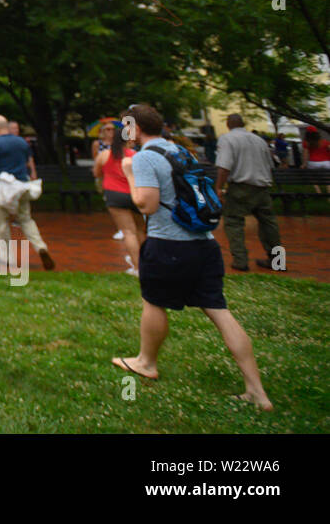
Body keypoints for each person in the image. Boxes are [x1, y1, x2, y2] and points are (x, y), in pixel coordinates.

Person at [112, 104, 272, 411]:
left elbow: (146, 205)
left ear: (135, 127)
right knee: (220, 312)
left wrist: (131, 176)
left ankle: (146, 362)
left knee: (154, 301)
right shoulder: (181, 151)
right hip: (204, 245)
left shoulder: (145, 156)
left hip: (168, 245)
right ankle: (257, 391)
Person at [0, 114, 55, 270]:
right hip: (21, 184)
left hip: (2, 186)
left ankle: (6, 257)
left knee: (1, 221)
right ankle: (40, 246)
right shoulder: (21, 142)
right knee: (25, 219)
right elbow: (28, 160)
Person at [215, 114, 283, 272]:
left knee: (233, 222)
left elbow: (224, 166)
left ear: (228, 124)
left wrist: (219, 187)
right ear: (243, 123)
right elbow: (270, 164)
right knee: (269, 223)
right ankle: (278, 261)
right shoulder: (259, 140)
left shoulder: (227, 139)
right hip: (262, 187)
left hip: (240, 187)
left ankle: (240, 261)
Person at [94, 120, 141, 273]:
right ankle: (148, 264)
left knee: (128, 232)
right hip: (134, 194)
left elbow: (97, 173)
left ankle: (137, 267)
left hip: (114, 195)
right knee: (141, 231)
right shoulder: (135, 155)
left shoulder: (104, 155)